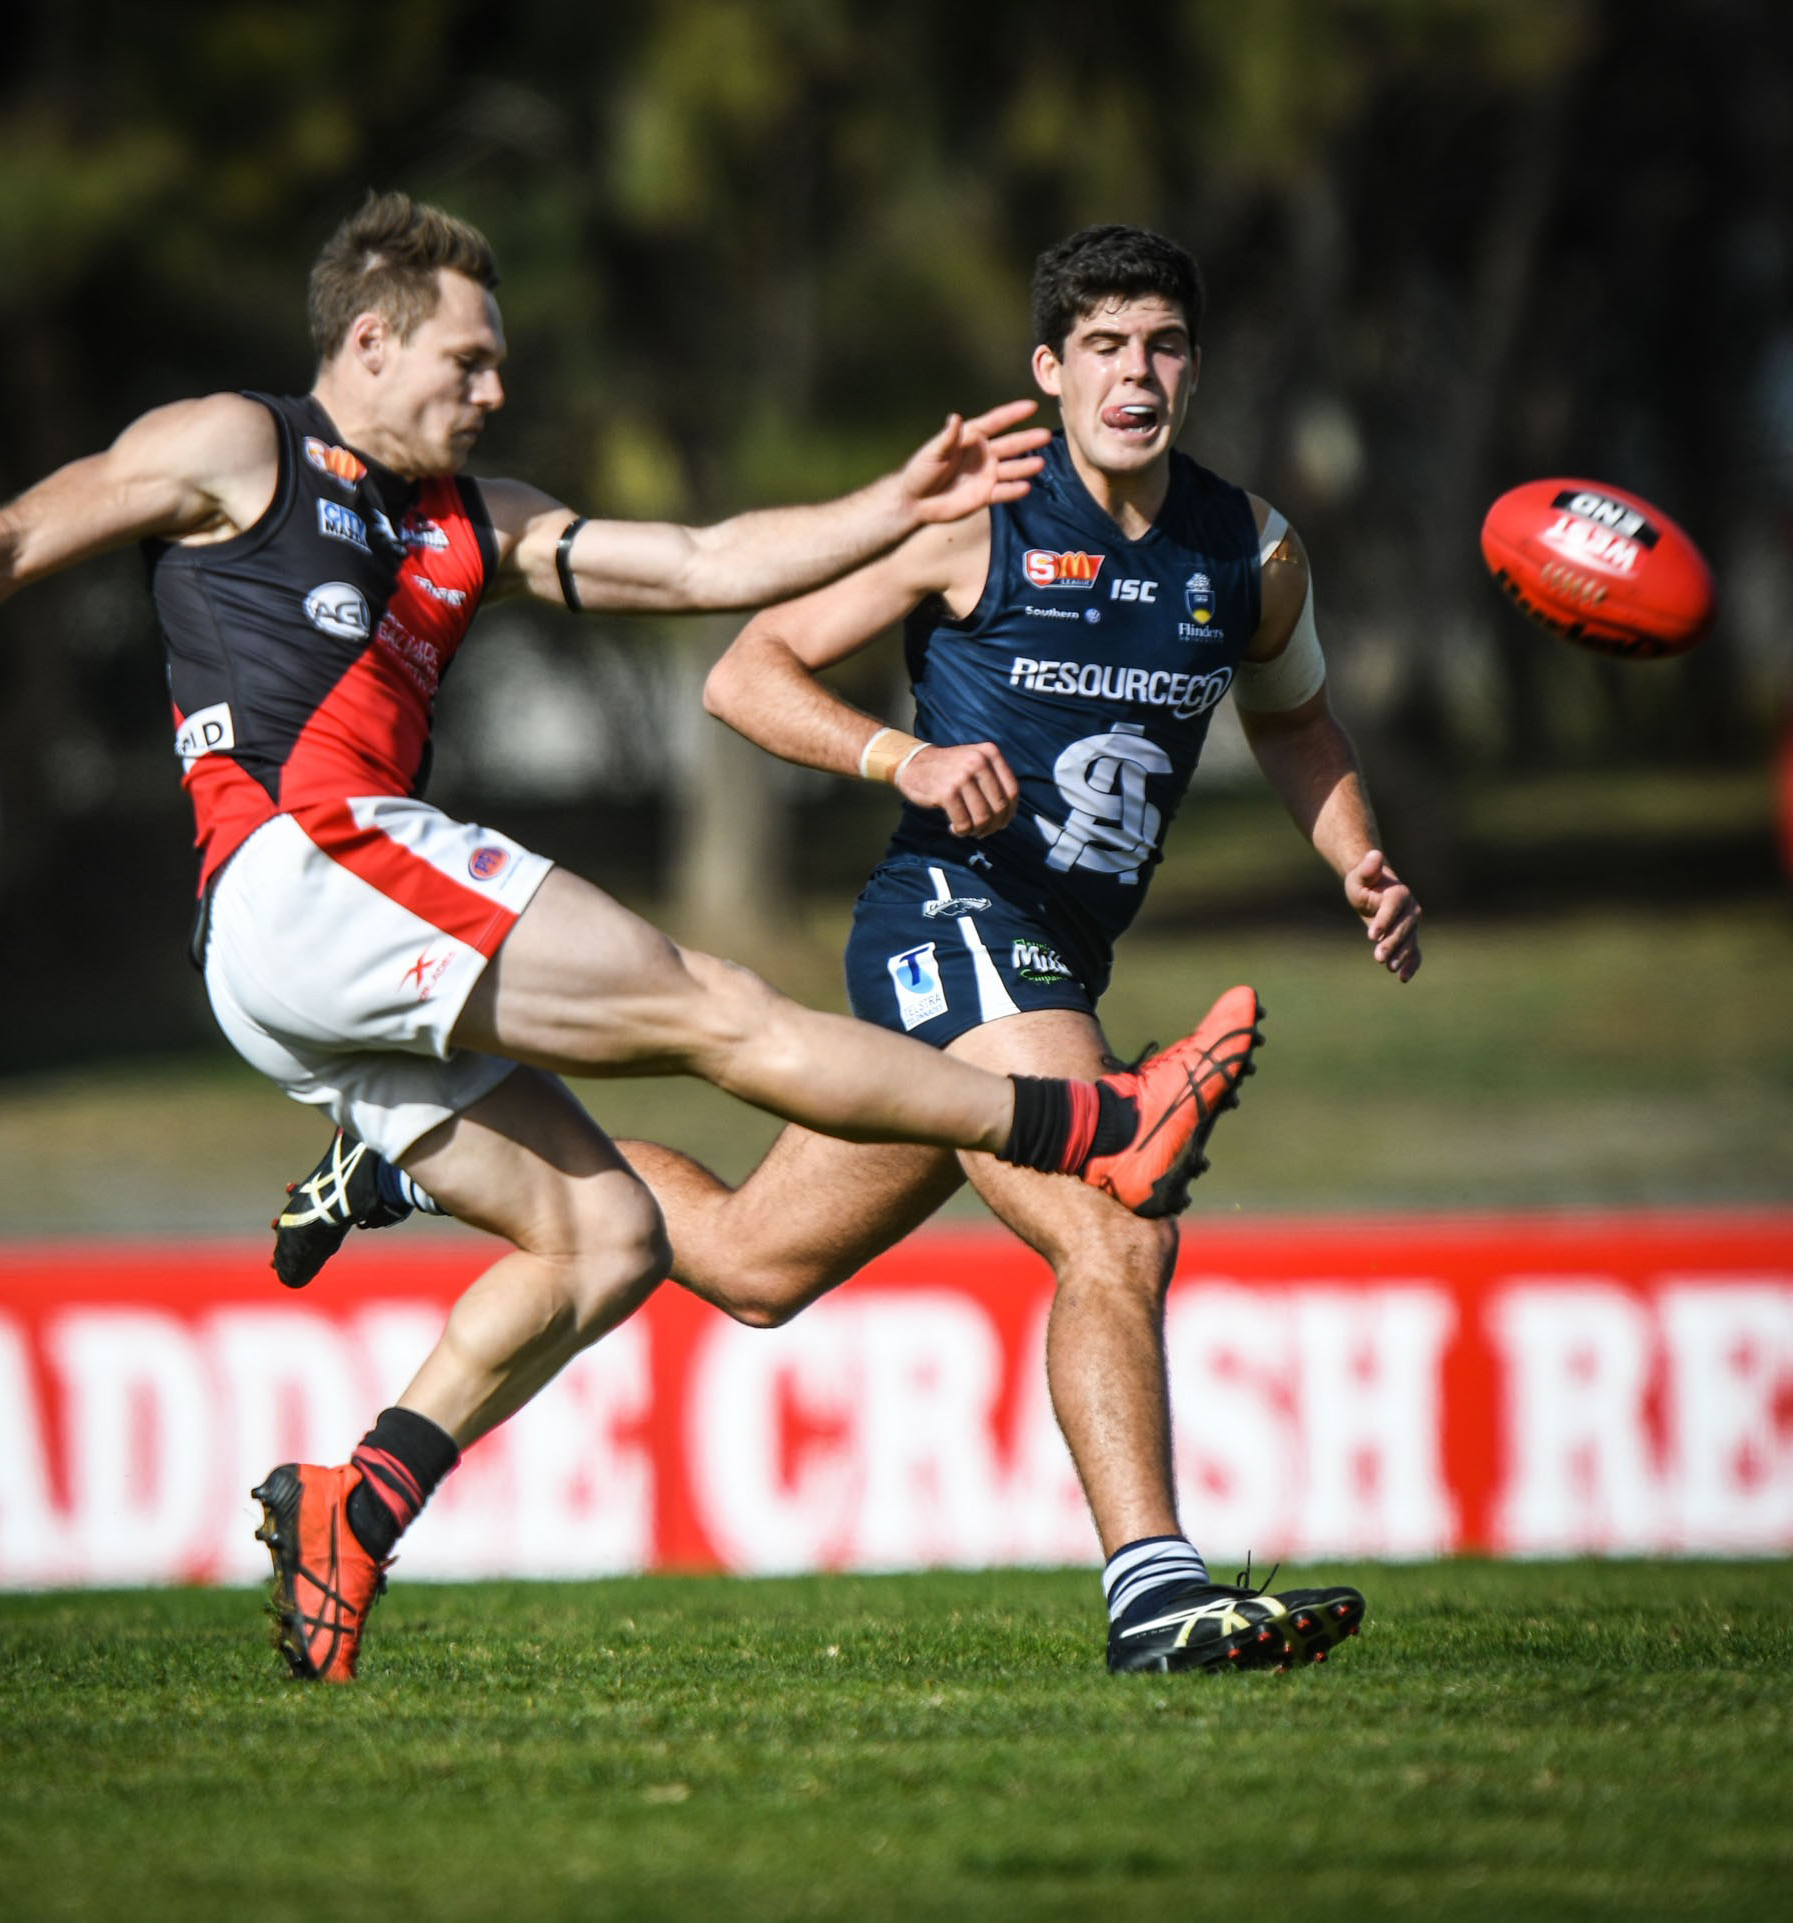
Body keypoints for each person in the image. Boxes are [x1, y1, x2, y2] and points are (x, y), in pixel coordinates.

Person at [0, 195, 1261, 1683]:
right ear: (372, 338)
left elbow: (700, 566)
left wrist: (893, 501)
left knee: (609, 1240)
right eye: (469, 361)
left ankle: (361, 1499)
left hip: (292, 970)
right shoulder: (237, 444)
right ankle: (1102, 1118)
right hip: (311, 860)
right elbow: (14, 536)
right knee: (712, 1008)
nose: (495, 389)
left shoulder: (481, 517)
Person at [288, 223, 1416, 1674]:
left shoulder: (1246, 551)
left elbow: (1295, 716)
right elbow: (743, 672)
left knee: (758, 1262)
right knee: (1113, 1218)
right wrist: (903, 759)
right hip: (949, 921)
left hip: (1060, 961)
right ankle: (1156, 1589)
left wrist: (1356, 856)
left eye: (1167, 345)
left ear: (1194, 367)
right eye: (1109, 347)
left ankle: (418, 1152)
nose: (1139, 373)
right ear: (1050, 370)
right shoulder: (980, 521)